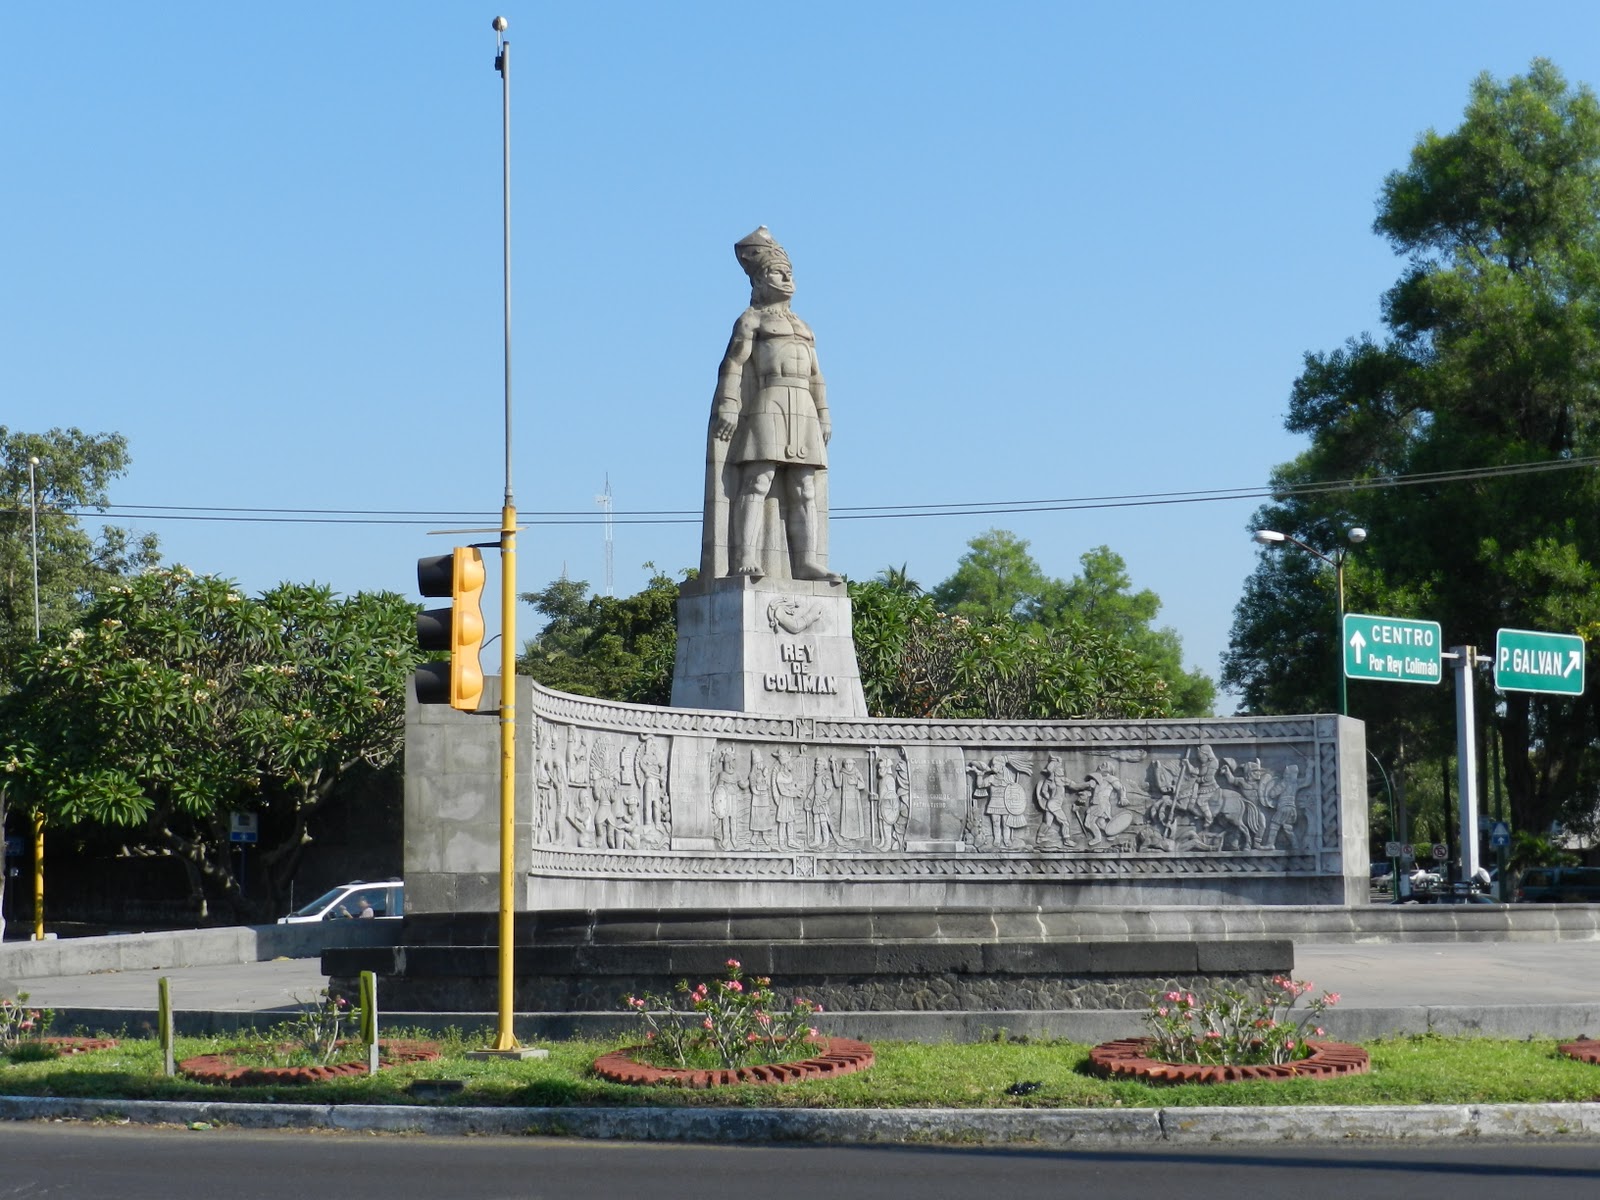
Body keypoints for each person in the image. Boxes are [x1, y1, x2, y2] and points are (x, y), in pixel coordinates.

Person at [708, 227, 840, 583]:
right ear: (760, 280)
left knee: (804, 487)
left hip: (804, 405)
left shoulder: (804, 326)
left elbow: (817, 374)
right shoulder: (752, 319)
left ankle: (807, 561)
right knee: (758, 478)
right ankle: (746, 557)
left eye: (790, 272)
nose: (787, 278)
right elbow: (733, 364)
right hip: (770, 400)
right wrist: (728, 404)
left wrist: (824, 412)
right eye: (778, 272)